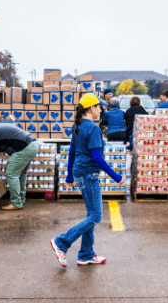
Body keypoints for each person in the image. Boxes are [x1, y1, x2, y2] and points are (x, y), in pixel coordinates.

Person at [51, 94, 125, 268]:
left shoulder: (78, 125)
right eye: (99, 107)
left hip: (80, 173)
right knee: (96, 216)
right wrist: (116, 177)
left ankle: (85, 255)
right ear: (91, 108)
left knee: (91, 214)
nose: (101, 110)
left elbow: (72, 151)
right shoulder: (92, 128)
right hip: (88, 175)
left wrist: (70, 174)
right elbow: (97, 158)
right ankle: (61, 243)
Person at [0, 123, 39, 210]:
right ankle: (21, 199)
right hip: (33, 145)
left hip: (25, 147)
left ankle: (17, 203)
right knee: (20, 174)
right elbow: (7, 145)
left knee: (11, 174)